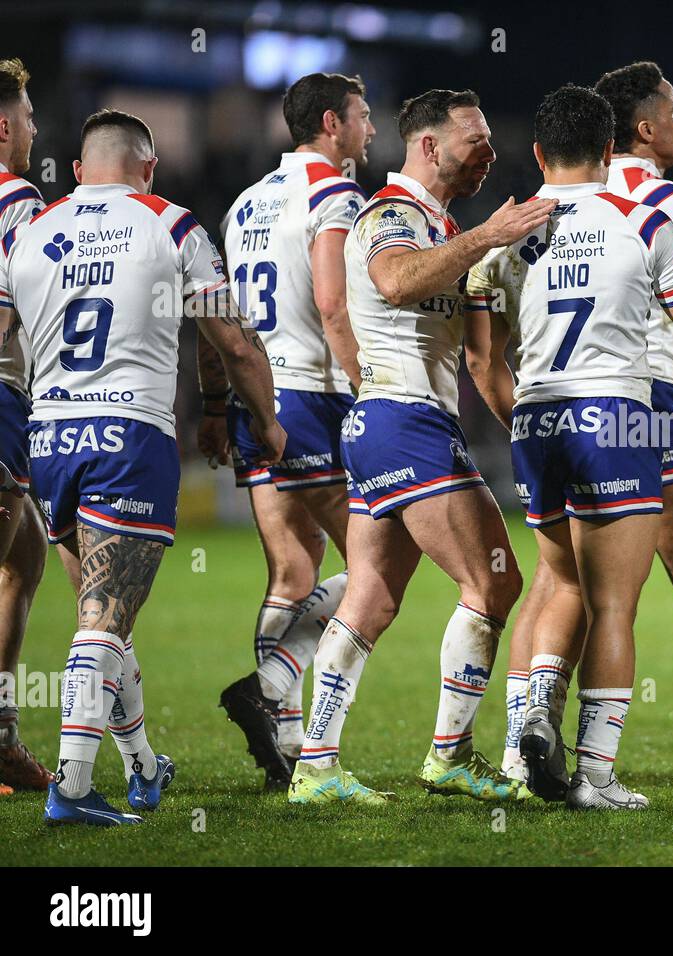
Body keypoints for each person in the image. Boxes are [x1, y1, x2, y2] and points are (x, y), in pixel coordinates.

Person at [465, 83, 673, 810]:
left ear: (537, 154)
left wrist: (523, 420)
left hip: (535, 419)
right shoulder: (642, 216)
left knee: (560, 581)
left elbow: (481, 357)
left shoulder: (505, 233)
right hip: (614, 418)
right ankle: (594, 775)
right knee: (612, 604)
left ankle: (534, 712)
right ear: (609, 150)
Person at [0, 109, 283, 824]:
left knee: (108, 615)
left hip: (50, 440)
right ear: (147, 167)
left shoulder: (32, 231)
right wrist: (266, 419)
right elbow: (234, 339)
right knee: (101, 618)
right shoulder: (173, 223)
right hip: (128, 437)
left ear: (79, 168)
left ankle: (144, 767)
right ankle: (70, 789)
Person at [286, 89, 555, 806]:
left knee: (369, 599)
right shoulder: (390, 214)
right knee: (495, 581)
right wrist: (487, 238)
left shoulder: (442, 224)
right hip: (403, 423)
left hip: (391, 426)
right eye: (477, 140)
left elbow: (476, 357)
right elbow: (394, 280)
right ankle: (450, 756)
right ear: (430, 146)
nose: (490, 155)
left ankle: (314, 765)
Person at [211, 73, 372, 791]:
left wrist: (221, 405)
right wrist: (372, 390)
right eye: (365, 119)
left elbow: (216, 317)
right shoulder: (337, 195)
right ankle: (274, 691)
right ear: (333, 124)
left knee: (290, 571)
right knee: (376, 567)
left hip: (258, 400)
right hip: (315, 395)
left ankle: (282, 747)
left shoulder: (244, 203)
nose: (372, 133)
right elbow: (335, 308)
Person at [0, 57, 52, 795]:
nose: (37, 131)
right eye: (31, 118)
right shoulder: (17, 199)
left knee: (26, 558)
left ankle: (4, 736)